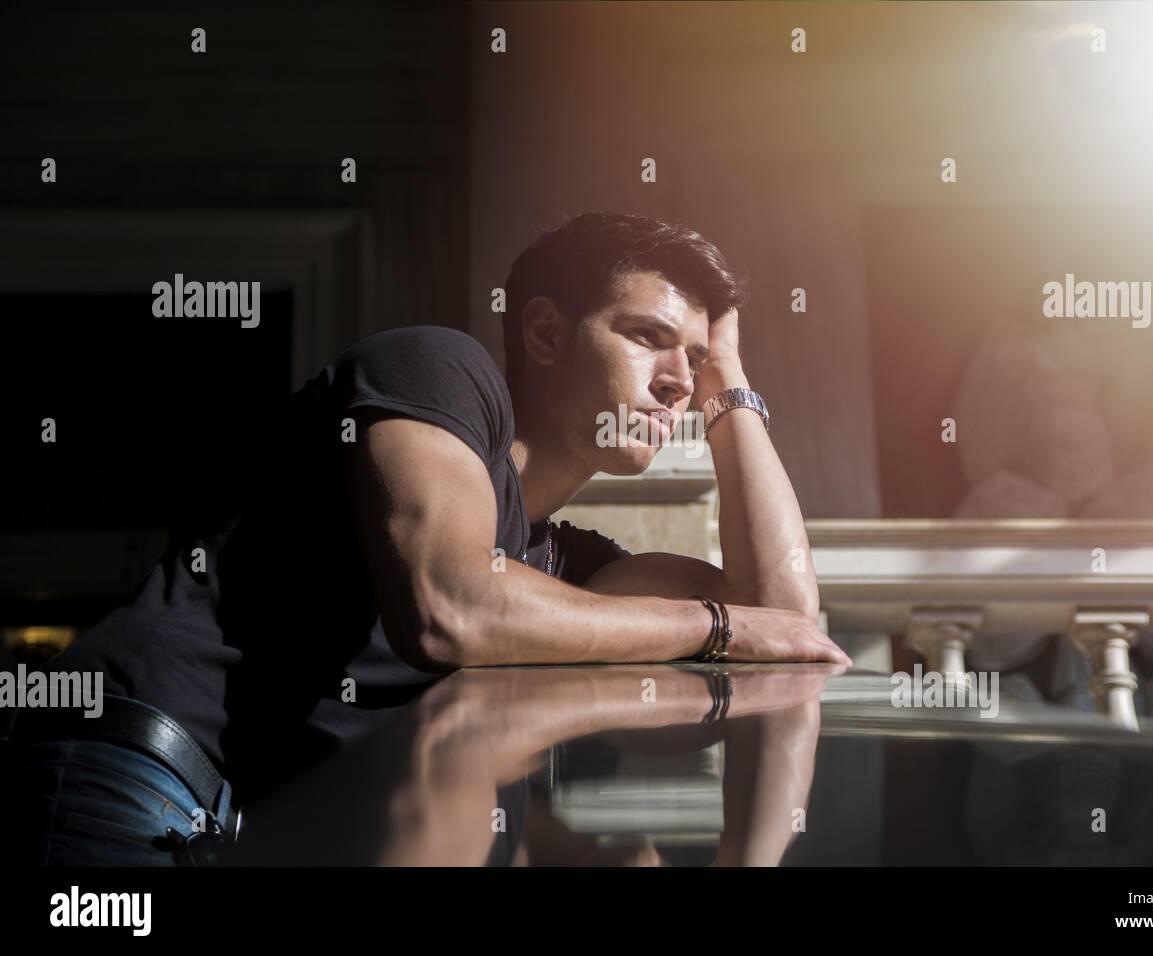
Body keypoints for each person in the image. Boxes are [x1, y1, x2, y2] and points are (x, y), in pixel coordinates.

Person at [2, 211, 850, 866]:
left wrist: (731, 389)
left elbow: (783, 627)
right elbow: (452, 604)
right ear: (547, 332)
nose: (675, 381)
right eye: (647, 337)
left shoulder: (558, 563)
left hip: (230, 825)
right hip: (119, 775)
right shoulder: (439, 368)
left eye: (692, 359)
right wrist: (714, 627)